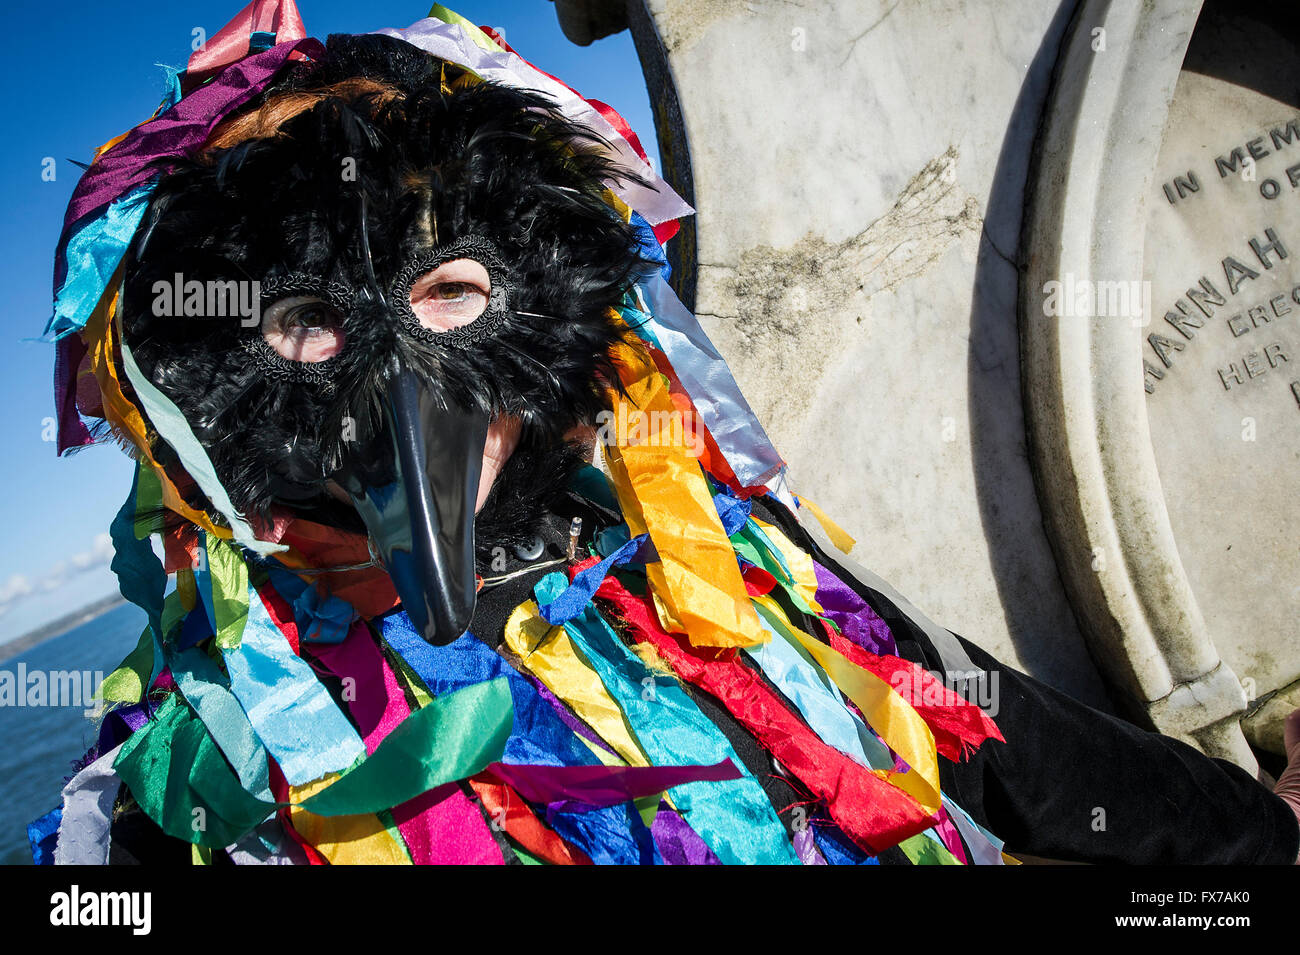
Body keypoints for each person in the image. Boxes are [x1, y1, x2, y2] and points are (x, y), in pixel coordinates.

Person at [30, 2, 1300, 865]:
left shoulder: (722, 591)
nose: (399, 385)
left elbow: (1005, 740)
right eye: (306, 321)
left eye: (452, 291)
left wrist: (1256, 847)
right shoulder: (224, 747)